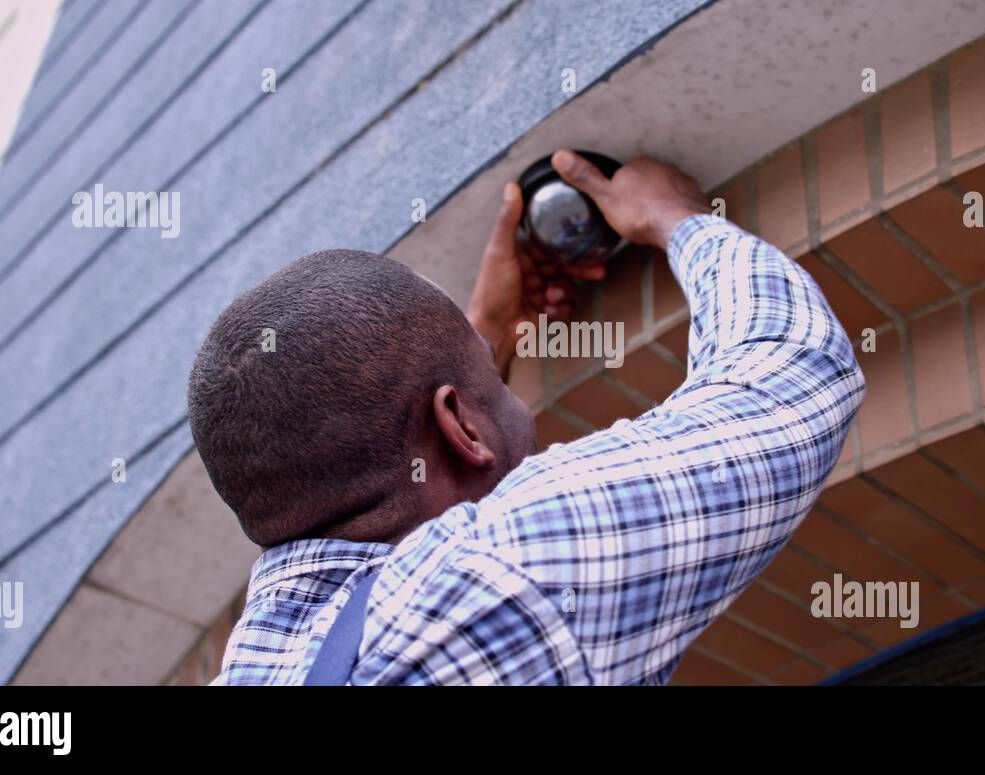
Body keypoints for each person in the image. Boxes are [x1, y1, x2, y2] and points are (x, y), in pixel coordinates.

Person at [190, 150, 865, 685]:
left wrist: (469, 356)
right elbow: (794, 375)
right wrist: (677, 217)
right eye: (493, 385)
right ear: (461, 428)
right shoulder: (493, 580)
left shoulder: (257, 660)